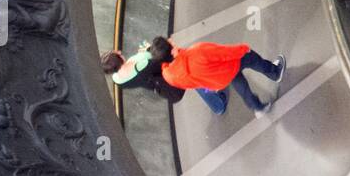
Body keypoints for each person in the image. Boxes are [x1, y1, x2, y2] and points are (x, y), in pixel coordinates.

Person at [150, 36, 285, 117]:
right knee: (253, 59)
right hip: (231, 65)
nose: (171, 40)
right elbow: (225, 53)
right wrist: (244, 49)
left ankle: (258, 108)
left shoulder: (169, 75)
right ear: (172, 50)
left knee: (240, 85)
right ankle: (275, 72)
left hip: (218, 81)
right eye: (169, 41)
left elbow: (193, 84)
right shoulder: (197, 51)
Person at [101, 45, 184, 103]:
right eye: (118, 54)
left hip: (163, 85)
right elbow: (162, 61)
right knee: (193, 75)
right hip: (174, 77)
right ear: (119, 60)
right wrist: (149, 50)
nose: (120, 51)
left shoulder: (118, 80)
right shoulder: (142, 65)